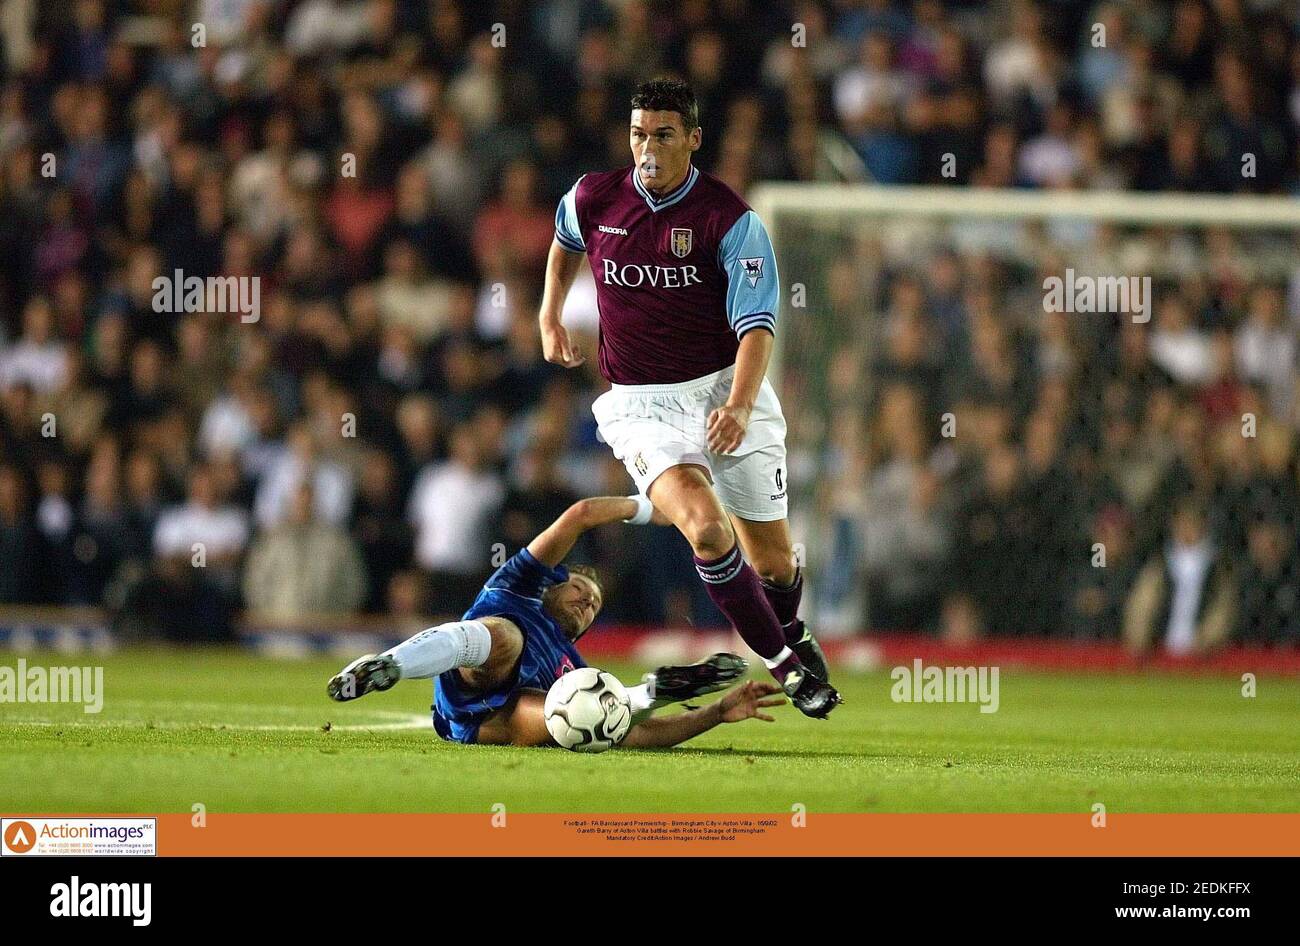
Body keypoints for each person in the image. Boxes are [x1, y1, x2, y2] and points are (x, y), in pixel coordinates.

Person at [536, 77, 839, 717]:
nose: (647, 148)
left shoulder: (730, 220)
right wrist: (549, 314)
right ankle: (788, 667)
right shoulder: (594, 197)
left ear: (693, 140)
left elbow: (757, 327)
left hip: (728, 392)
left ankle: (787, 630)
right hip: (642, 405)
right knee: (704, 529)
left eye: (664, 136)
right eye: (638, 134)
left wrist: (736, 405)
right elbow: (564, 241)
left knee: (776, 566)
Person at [328, 494, 783, 748]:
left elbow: (637, 734)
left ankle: (652, 690)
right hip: (468, 677)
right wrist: (645, 508)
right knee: (506, 636)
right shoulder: (517, 586)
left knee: (589, 713)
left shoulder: (572, 666)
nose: (587, 603)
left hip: (492, 724)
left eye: (594, 607)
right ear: (555, 585)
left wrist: (718, 714)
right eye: (581, 591)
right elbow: (580, 515)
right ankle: (389, 665)